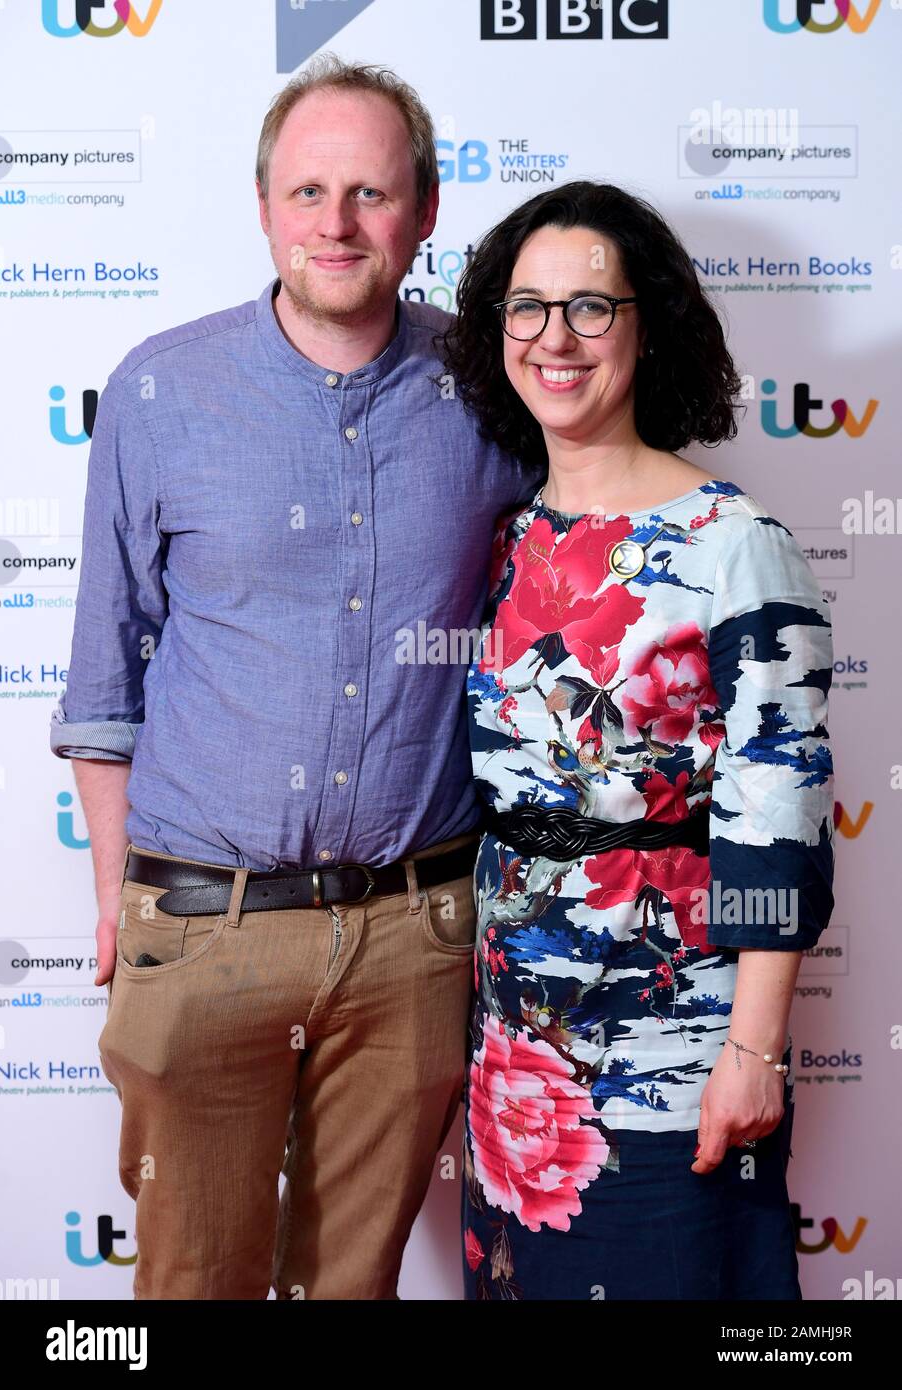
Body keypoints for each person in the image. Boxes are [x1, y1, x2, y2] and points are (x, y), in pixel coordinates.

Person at [49, 55, 541, 1300]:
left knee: (352, 1287)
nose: (336, 223)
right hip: (202, 931)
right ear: (264, 205)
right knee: (190, 1285)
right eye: (308, 190)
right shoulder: (160, 390)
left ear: (425, 210)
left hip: (414, 938)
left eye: (370, 192)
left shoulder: (495, 390)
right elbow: (104, 687)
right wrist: (121, 898)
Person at [440, 181, 835, 1300]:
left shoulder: (733, 542)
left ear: (646, 325)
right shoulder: (513, 534)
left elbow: (782, 817)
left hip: (678, 1059)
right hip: (516, 1062)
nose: (555, 338)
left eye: (591, 307)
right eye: (528, 306)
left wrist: (753, 1050)